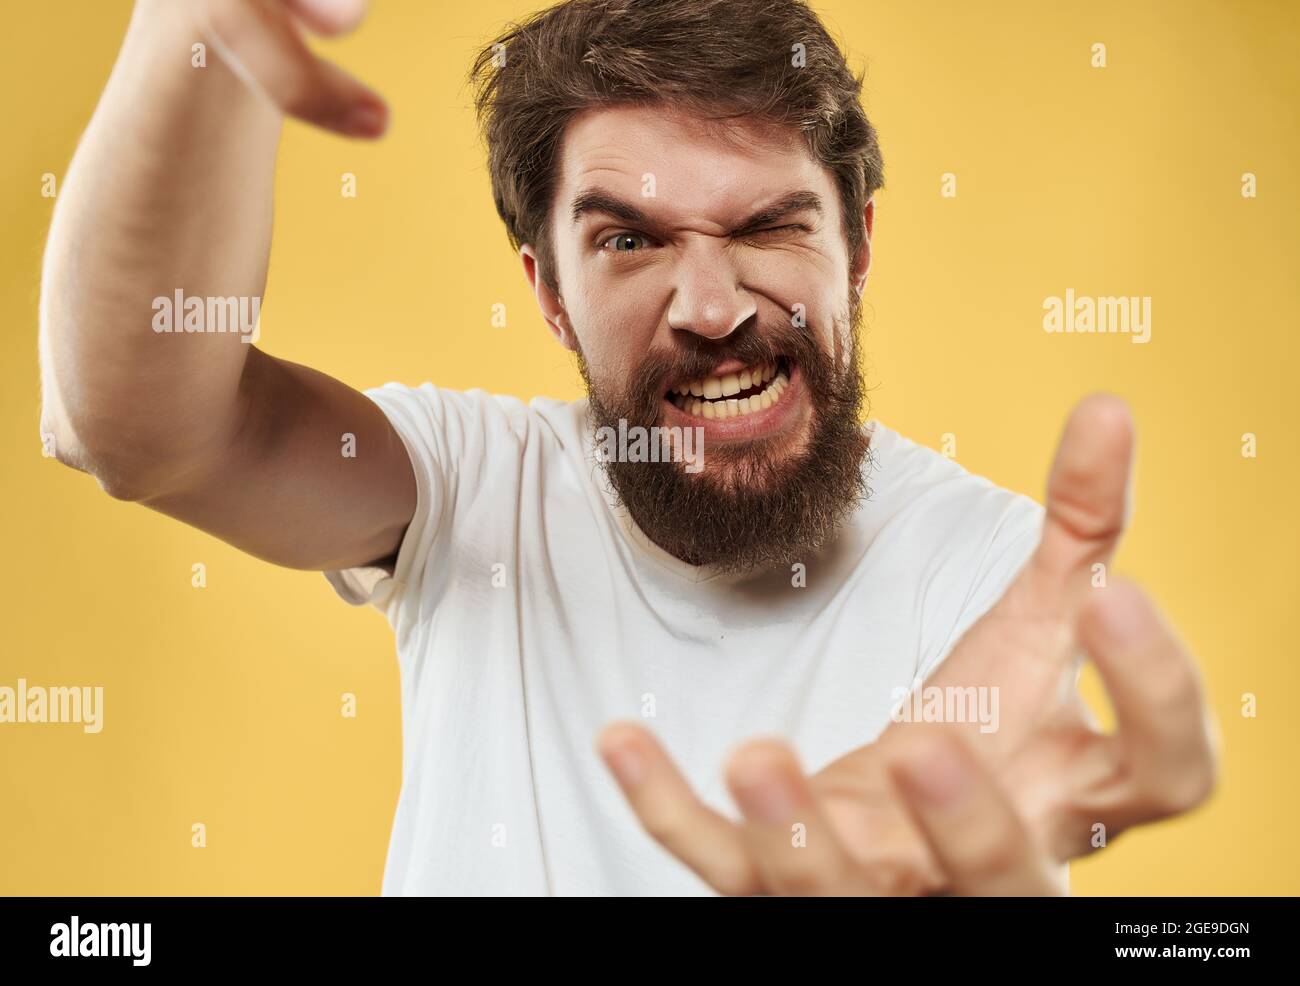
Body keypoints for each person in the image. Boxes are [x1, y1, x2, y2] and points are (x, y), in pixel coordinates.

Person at [38, 0, 1217, 895]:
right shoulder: (470, 486)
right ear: (548, 293)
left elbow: (964, 764)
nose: (711, 306)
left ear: (854, 247)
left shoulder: (983, 556)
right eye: (631, 241)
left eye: (766, 225)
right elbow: (140, 428)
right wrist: (192, 37)